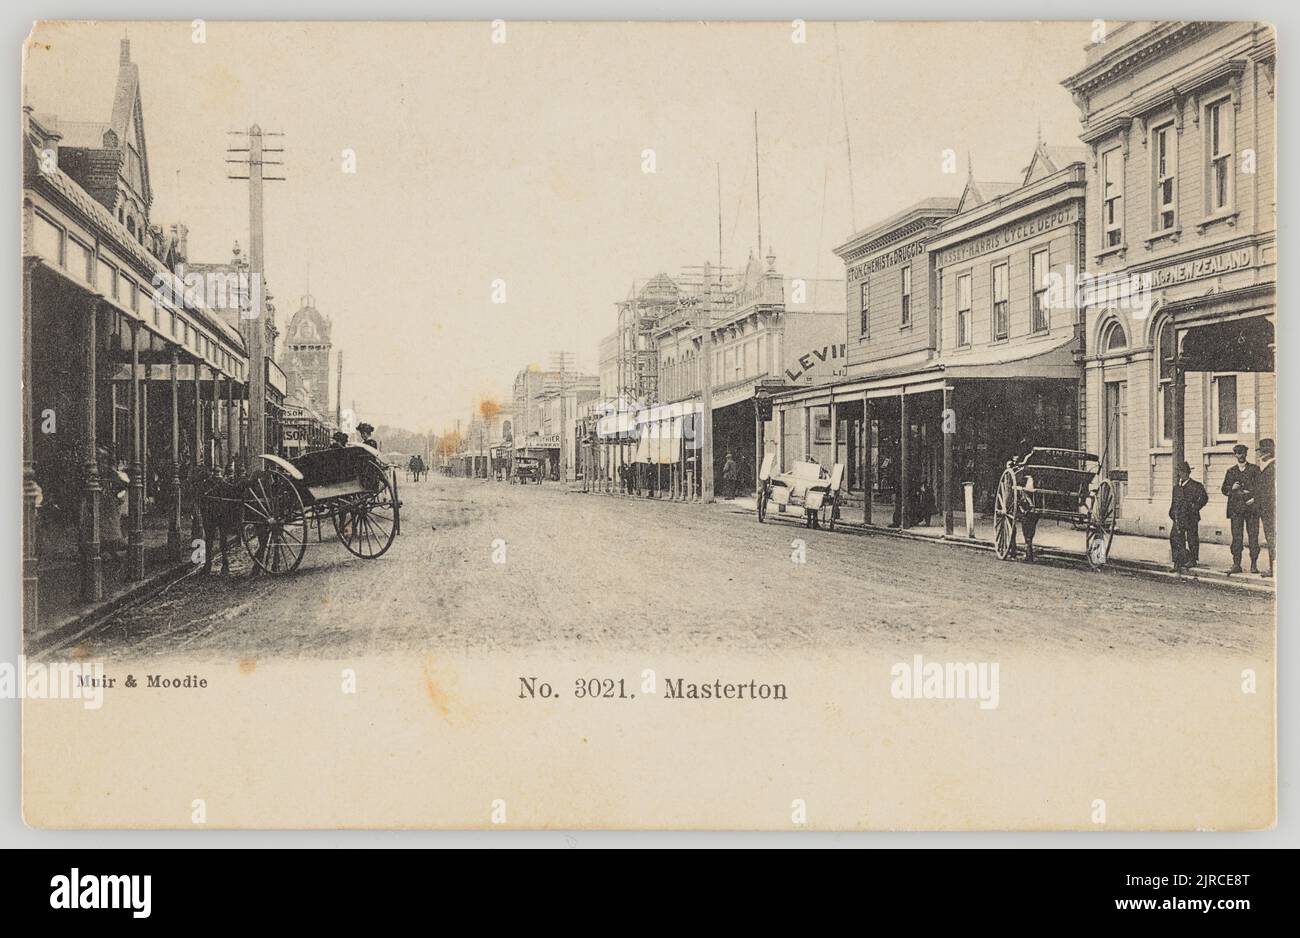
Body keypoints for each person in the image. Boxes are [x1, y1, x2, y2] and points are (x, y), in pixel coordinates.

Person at [1221, 443, 1261, 574]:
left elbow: (1261, 489)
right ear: (1235, 455)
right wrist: (1231, 489)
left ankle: (1253, 564)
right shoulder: (1231, 471)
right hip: (1236, 510)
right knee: (1236, 537)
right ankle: (1236, 563)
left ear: (1246, 454)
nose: (1241, 455)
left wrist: (1254, 499)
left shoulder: (1255, 470)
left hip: (1251, 508)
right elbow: (1224, 490)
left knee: (1253, 536)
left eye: (1242, 453)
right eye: (1238, 453)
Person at [1169, 460, 1208, 573]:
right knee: (1175, 537)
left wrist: (1195, 507)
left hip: (1191, 516)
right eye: (1180, 472)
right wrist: (1172, 513)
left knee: (1192, 538)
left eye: (1183, 472)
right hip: (1178, 517)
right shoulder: (1176, 488)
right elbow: (1173, 503)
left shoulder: (1196, 486)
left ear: (1188, 473)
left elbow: (1204, 498)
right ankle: (1178, 561)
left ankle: (1193, 559)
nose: (1181, 474)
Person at [1256, 438, 1275, 577]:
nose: (1259, 455)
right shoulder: (1269, 468)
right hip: (1269, 510)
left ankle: (1273, 569)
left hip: (1270, 511)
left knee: (1272, 539)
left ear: (1267, 453)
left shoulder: (1271, 468)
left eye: (1261, 452)